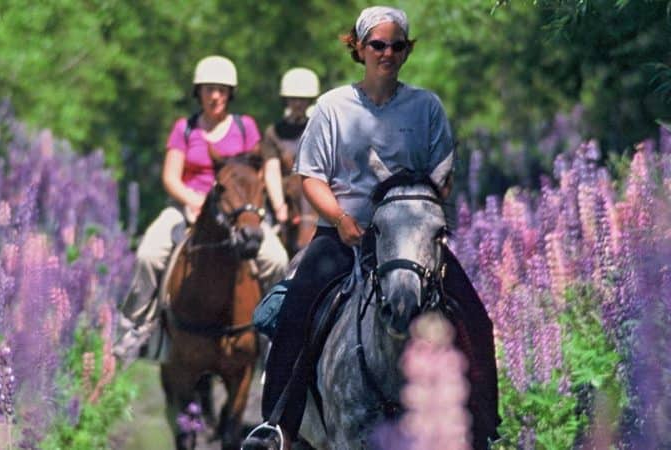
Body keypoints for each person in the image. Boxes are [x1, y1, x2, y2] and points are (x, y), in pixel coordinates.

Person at [255, 6, 499, 449]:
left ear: (406, 52)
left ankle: (484, 426)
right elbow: (310, 177)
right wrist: (342, 219)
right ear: (359, 48)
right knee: (298, 308)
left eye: (396, 46)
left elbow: (442, 176)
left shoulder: (427, 107)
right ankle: (277, 425)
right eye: (378, 45)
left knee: (475, 317)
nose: (387, 53)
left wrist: (425, 203)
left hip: (410, 235)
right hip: (345, 233)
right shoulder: (332, 107)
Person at [115, 55, 289, 360]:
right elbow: (170, 176)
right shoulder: (184, 129)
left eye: (221, 90)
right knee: (148, 254)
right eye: (209, 89)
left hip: (238, 210)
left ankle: (275, 332)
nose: (215, 96)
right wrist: (193, 201)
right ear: (199, 92)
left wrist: (251, 205)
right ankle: (137, 326)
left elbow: (256, 171)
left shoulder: (245, 126)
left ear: (230, 93)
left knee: (276, 258)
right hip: (191, 206)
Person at [261, 67, 320, 253]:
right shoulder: (274, 133)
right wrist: (279, 208)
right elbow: (271, 171)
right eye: (294, 98)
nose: (298, 103)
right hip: (284, 198)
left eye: (303, 99)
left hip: (315, 195)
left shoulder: (319, 128)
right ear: (286, 99)